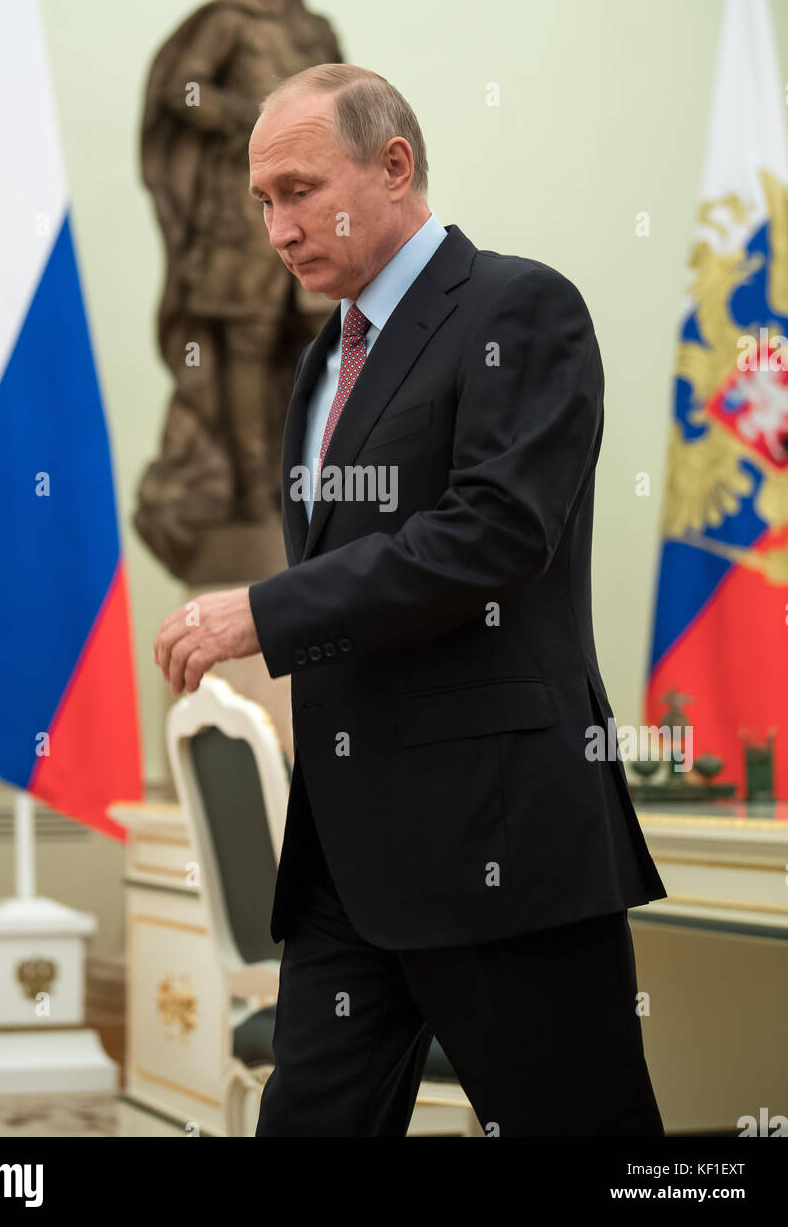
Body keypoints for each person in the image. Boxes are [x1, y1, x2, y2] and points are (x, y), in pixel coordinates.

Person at [153, 63, 667, 1137]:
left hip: (499, 840)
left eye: (297, 190)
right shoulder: (319, 363)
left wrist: (268, 608)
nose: (277, 228)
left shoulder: (521, 306)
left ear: (394, 166)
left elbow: (495, 532)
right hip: (346, 864)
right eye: (262, 204)